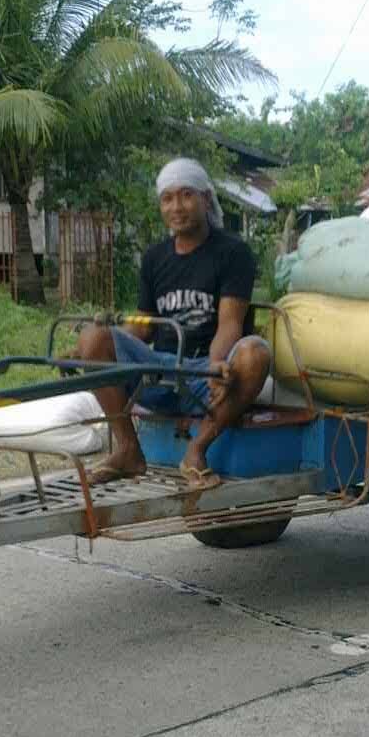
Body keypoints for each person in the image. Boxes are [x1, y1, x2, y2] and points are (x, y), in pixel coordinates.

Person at [71, 158, 271, 491]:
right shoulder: (154, 258)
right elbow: (144, 327)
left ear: (206, 199)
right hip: (161, 374)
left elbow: (229, 325)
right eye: (167, 198)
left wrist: (218, 364)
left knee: (255, 354)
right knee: (93, 337)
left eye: (186, 195)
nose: (176, 206)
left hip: (208, 376)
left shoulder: (233, 252)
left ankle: (197, 450)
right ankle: (128, 450)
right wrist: (91, 348)